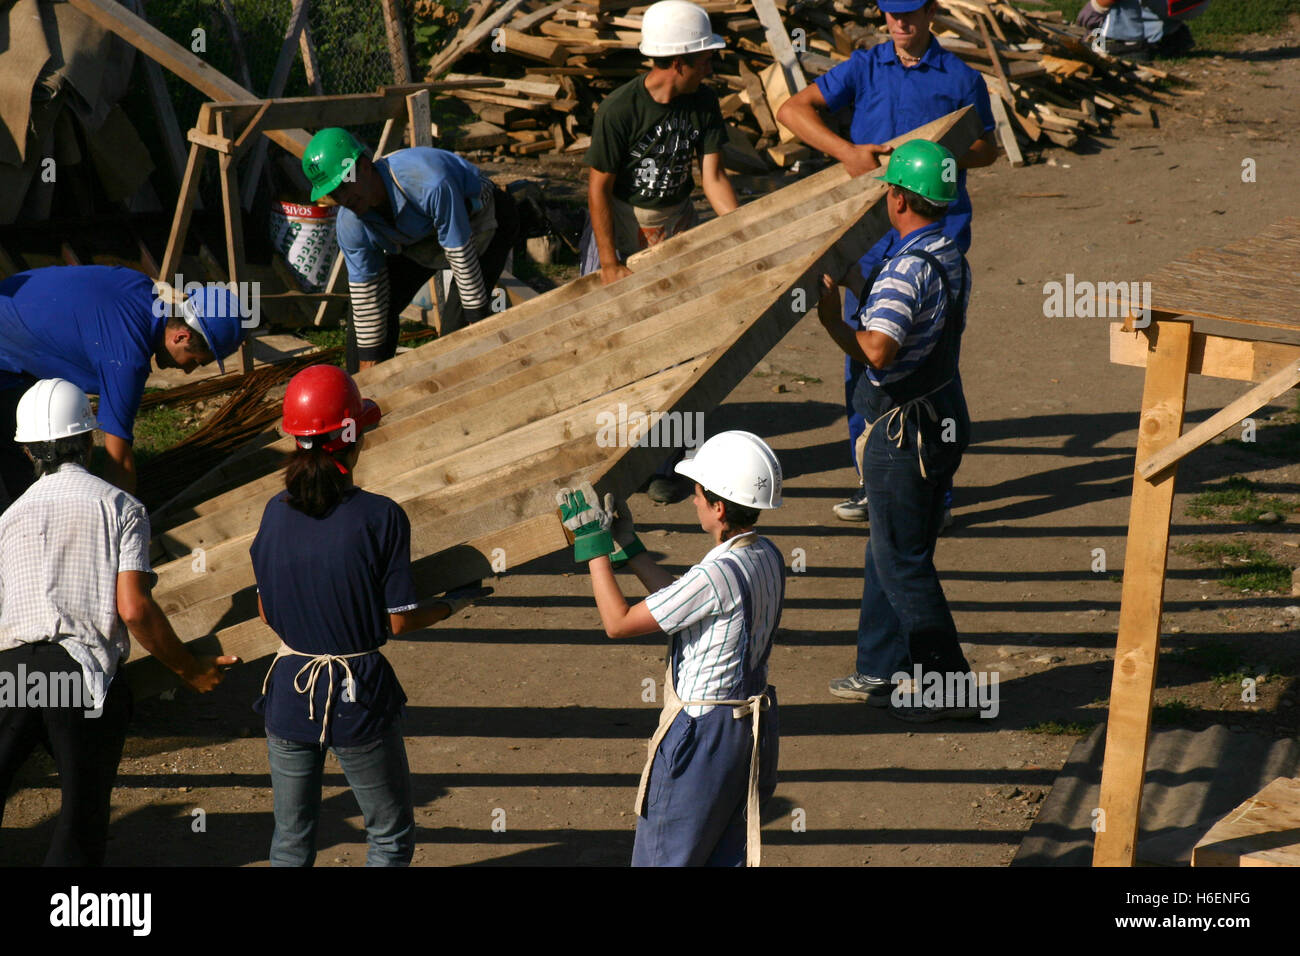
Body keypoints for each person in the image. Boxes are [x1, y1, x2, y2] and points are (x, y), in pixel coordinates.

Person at [250, 363, 490, 866]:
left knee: (291, 840)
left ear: (296, 442)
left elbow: (266, 610)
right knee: (388, 835)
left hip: (290, 691)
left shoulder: (275, 510)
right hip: (357, 695)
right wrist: (453, 604)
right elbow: (398, 620)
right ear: (355, 438)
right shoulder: (381, 515)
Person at [776, 0, 996, 524]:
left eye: (912, 12)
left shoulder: (961, 78)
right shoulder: (866, 67)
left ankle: (934, 493)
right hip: (872, 243)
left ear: (932, 12)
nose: (901, 23)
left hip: (934, 238)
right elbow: (791, 111)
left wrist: (939, 152)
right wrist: (846, 150)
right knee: (866, 369)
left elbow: (988, 148)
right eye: (892, 13)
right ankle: (873, 481)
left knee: (932, 368)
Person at [0, 378, 234, 866]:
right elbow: (133, 608)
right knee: (79, 819)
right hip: (78, 673)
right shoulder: (120, 508)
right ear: (87, 441)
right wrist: (188, 668)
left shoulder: (10, 518)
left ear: (26, 452)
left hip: (13, 673)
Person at [562, 430, 784, 866]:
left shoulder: (716, 573)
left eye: (698, 493)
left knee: (666, 857)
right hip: (742, 734)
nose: (693, 500)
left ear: (718, 507)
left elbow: (618, 622)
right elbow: (685, 602)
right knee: (718, 853)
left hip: (700, 736)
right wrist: (630, 545)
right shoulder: (767, 555)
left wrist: (594, 548)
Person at [816, 141, 978, 721]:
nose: (885, 194)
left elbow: (879, 351)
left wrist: (836, 323)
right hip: (939, 418)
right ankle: (882, 667)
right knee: (891, 551)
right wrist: (860, 276)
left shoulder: (906, 269)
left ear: (901, 197)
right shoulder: (942, 251)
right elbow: (902, 300)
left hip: (902, 434)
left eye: (889, 188)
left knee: (903, 562)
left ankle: (950, 689)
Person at [582, 0, 739, 504]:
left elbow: (712, 177)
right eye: (705, 58)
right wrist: (609, 261)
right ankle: (609, 459)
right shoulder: (620, 110)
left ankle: (666, 463)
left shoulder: (703, 104)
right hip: (624, 226)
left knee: (680, 347)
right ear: (678, 62)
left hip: (675, 223)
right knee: (616, 348)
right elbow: (598, 190)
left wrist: (743, 232)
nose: (712, 66)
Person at [0, 266, 249, 505]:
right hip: (5, 352)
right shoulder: (126, 358)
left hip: (11, 304)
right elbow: (118, 460)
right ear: (181, 336)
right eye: (195, 361)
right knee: (31, 458)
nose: (188, 370)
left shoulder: (137, 285)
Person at [302, 129, 521, 373]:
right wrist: (366, 378)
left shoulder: (428, 181)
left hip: (480, 222)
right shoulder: (351, 223)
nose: (343, 197)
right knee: (366, 319)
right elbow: (367, 296)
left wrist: (475, 326)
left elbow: (461, 256)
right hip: (420, 239)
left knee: (455, 332)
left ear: (364, 165)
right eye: (334, 193)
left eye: (345, 183)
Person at [1076, 0, 1205, 61]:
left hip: (1171, 4)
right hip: (1193, 4)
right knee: (1137, 7)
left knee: (1116, 5)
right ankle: (1172, 34)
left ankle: (1128, 43)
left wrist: (1097, 7)